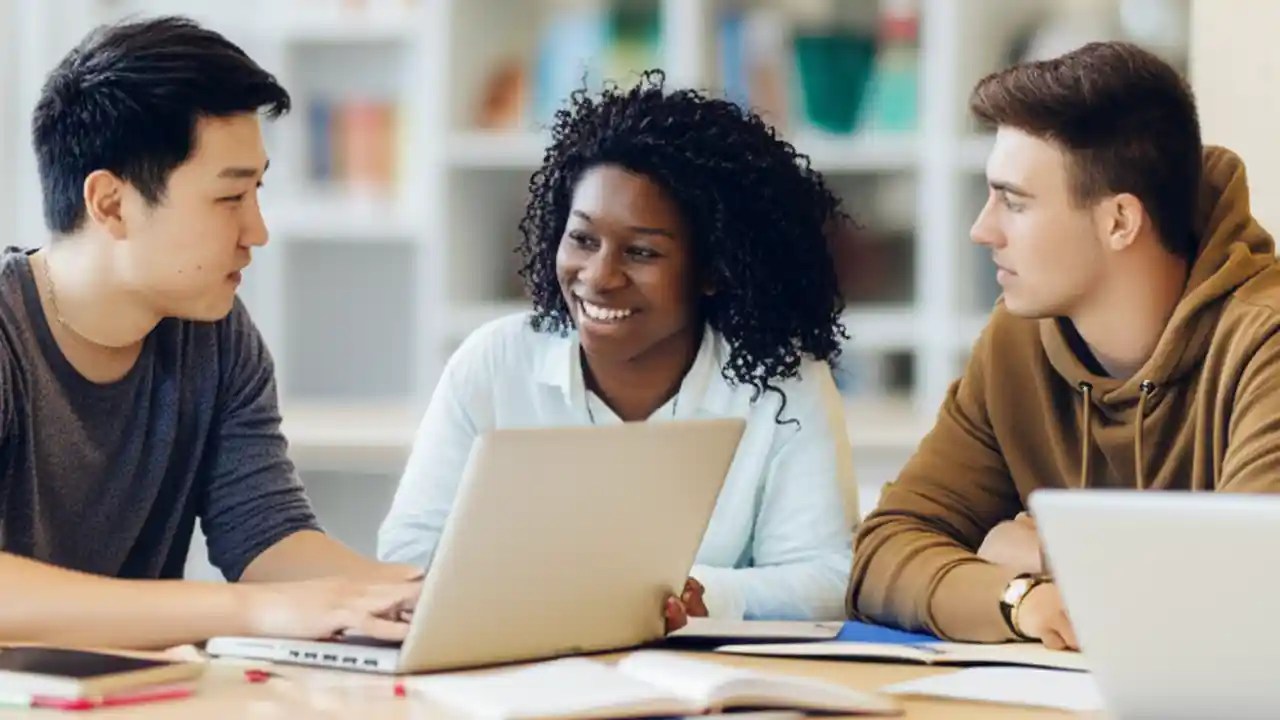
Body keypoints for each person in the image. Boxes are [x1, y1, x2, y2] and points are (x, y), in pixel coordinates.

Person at [379, 70, 858, 625]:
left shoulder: (781, 384)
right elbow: (407, 559)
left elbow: (827, 577)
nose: (599, 276)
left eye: (642, 253)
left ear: (712, 270)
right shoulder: (493, 363)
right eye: (582, 239)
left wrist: (699, 595)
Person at [0, 16, 420, 649]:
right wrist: (252, 612)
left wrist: (425, 597)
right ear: (110, 203)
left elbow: (267, 536)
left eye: (258, 190)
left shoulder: (215, 334)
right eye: (229, 198)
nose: (258, 230)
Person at [847, 41, 1280, 650]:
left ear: (1120, 222)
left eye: (1014, 202)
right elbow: (882, 553)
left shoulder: (1266, 340)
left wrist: (1044, 552)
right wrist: (1022, 600)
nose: (982, 229)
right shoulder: (1015, 341)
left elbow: (1252, 587)